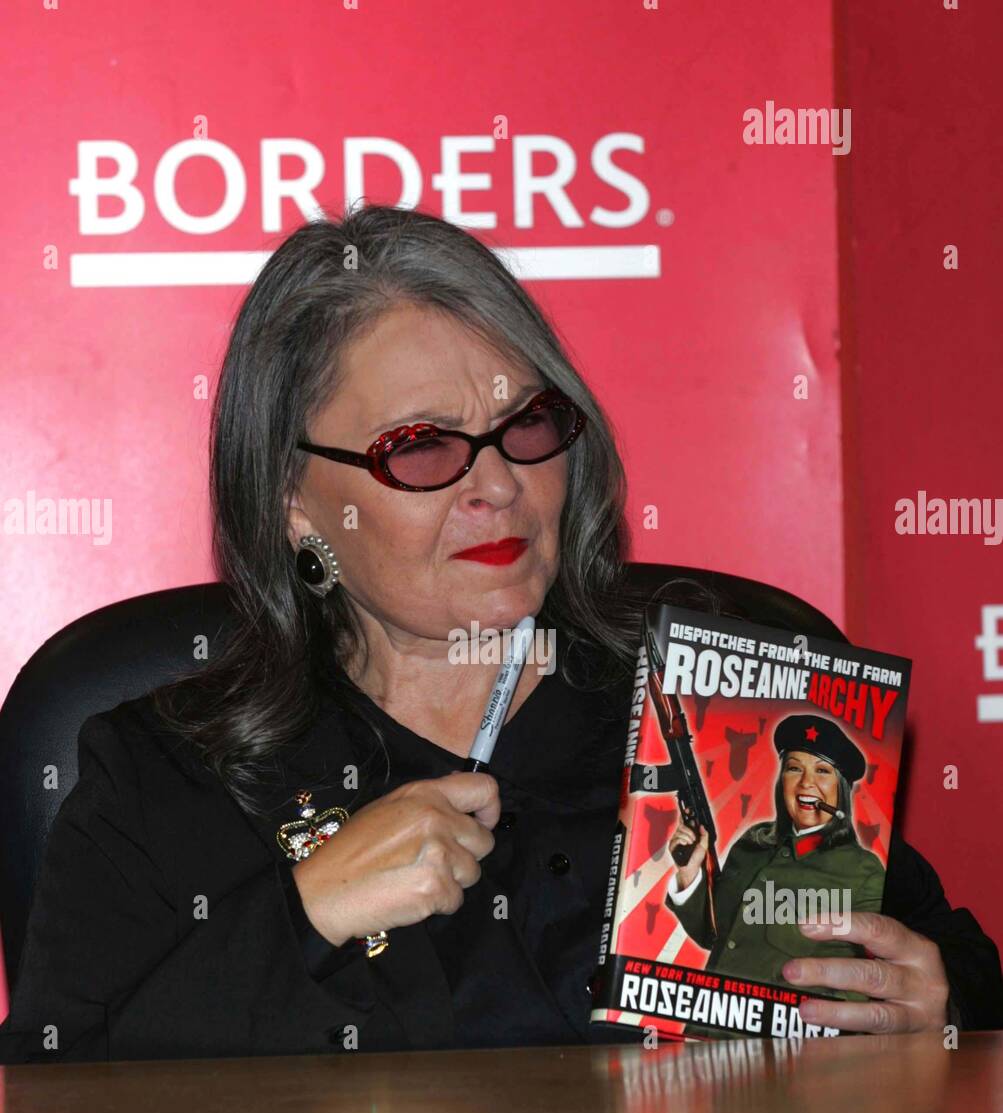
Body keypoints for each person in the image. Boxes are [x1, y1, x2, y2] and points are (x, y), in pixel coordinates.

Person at [0, 205, 1000, 1064]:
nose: (499, 485)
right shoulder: (167, 775)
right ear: (293, 503)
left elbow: (955, 980)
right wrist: (304, 916)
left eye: (526, 424)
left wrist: (942, 1007)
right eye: (422, 446)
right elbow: (59, 1100)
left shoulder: (727, 711)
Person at [667, 715, 884, 1004]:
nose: (807, 783)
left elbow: (870, 984)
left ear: (841, 789)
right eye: (794, 768)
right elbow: (715, 936)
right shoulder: (752, 843)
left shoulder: (863, 872)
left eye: (822, 771)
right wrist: (688, 874)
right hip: (702, 1031)